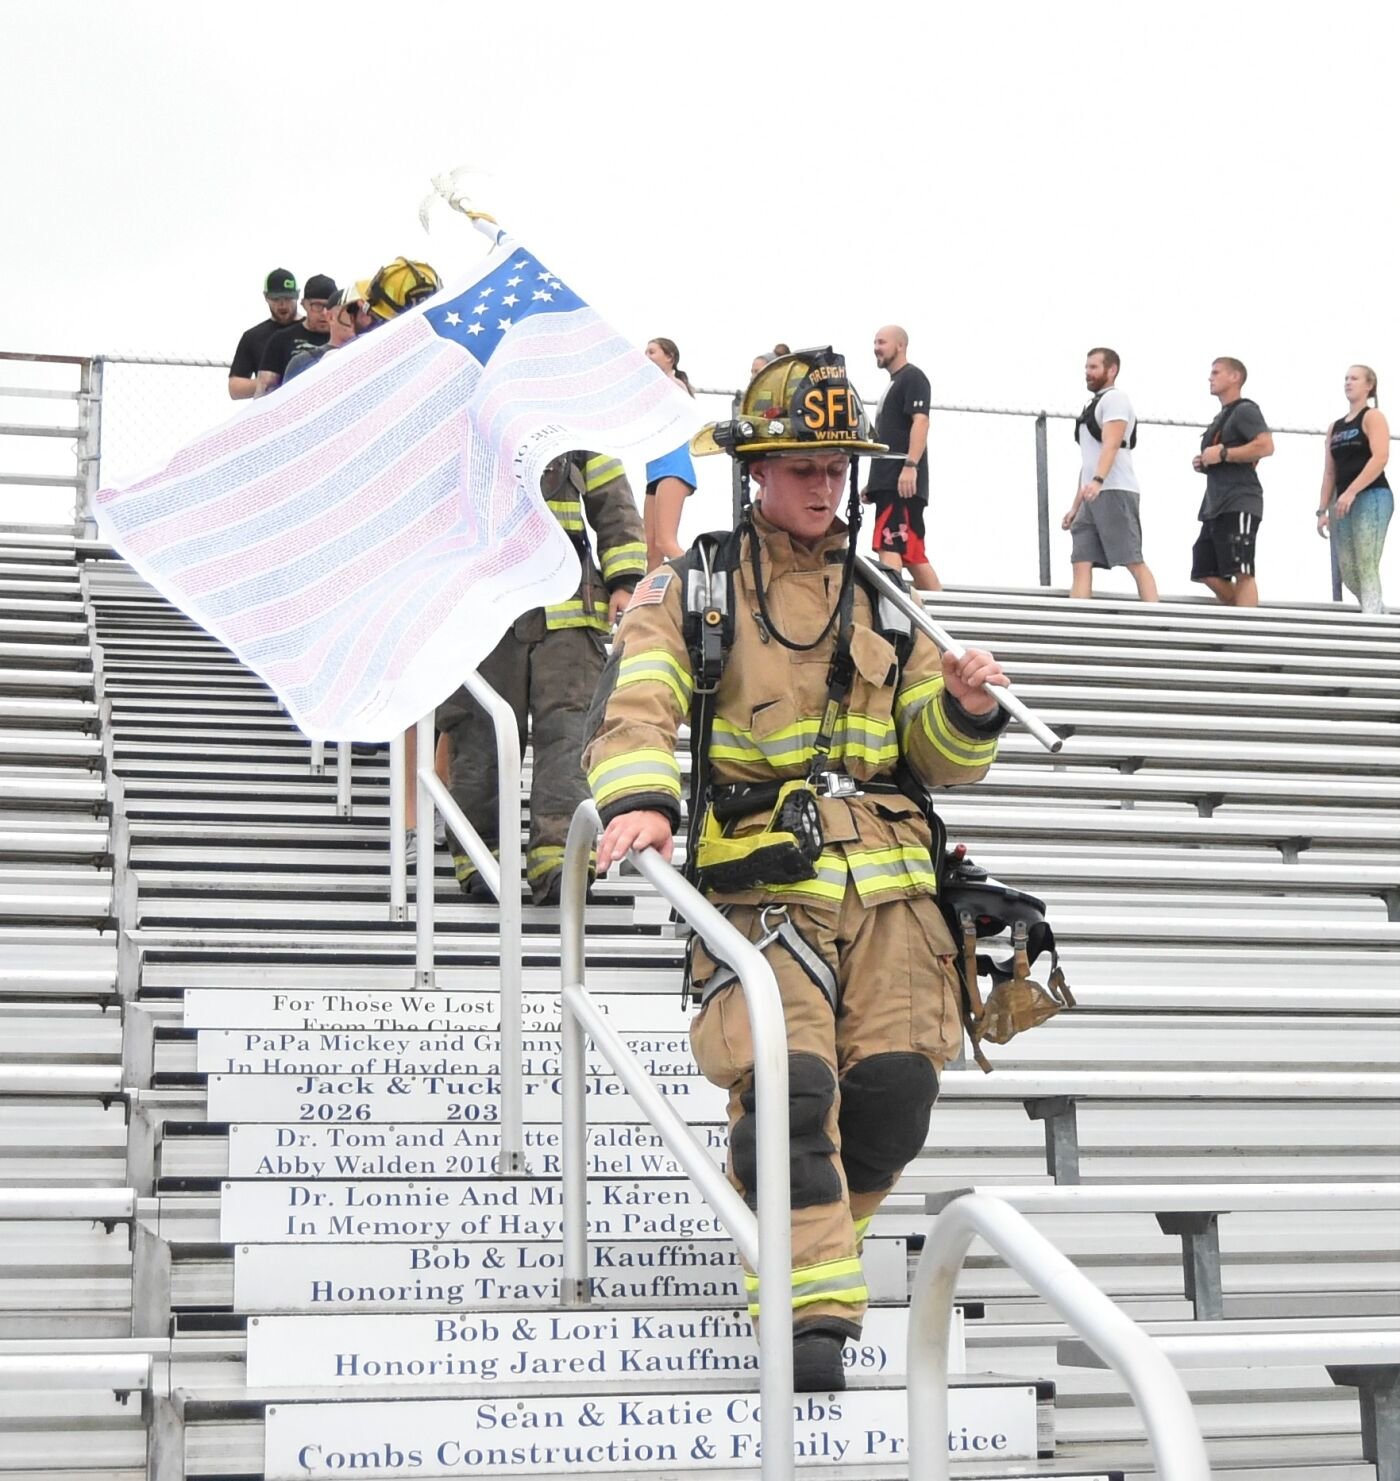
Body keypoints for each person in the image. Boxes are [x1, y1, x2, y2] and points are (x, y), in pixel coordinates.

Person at [584, 347, 1009, 1391]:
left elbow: (932, 758)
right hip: (764, 899)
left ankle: (798, 1247)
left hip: (898, 903)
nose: (823, 484)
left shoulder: (889, 600)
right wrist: (639, 798)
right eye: (801, 464)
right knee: (791, 1091)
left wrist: (963, 707)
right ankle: (811, 1308)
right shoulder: (695, 587)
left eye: (835, 466)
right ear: (756, 471)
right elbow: (637, 696)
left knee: (893, 1103)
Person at [437, 451, 646, 905]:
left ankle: (561, 862)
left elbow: (612, 496)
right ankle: (480, 858)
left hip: (568, 609)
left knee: (570, 737)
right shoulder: (454, 407)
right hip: (485, 608)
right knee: (479, 735)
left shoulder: (568, 403)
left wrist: (626, 580)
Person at [1061, 348, 1158, 601]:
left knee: (1132, 560)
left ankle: (1158, 621)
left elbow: (1112, 444)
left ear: (1111, 370)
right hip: (1092, 495)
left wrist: (1098, 481)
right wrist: (1076, 505)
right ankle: (1077, 625)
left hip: (1114, 489)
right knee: (1081, 561)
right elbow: (1089, 461)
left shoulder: (1116, 400)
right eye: (1086, 368)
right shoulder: (1092, 405)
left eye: (1094, 367)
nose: (1088, 373)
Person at [1191, 357, 1274, 607]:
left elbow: (1265, 446)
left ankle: (1248, 632)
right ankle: (1242, 614)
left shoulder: (1245, 409)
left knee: (1242, 569)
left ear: (1234, 377)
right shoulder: (1222, 416)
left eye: (1216, 372)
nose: (1210, 377)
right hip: (1215, 504)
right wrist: (1205, 462)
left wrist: (1224, 453)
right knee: (1205, 568)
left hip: (1239, 501)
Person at [863, 324, 941, 592]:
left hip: (902, 484)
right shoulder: (894, 383)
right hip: (889, 483)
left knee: (891, 547)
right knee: (913, 554)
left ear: (900, 345)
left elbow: (921, 422)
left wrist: (910, 465)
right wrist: (873, 483)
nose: (876, 348)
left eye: (882, 342)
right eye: (875, 342)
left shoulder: (913, 378)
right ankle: (940, 620)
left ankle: (894, 617)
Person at [1317, 365, 1391, 614]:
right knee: (1348, 569)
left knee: (1366, 562)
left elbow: (1380, 457)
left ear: (1368, 385)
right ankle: (1379, 613)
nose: (1348, 382)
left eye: (1355, 378)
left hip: (1372, 496)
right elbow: (1330, 472)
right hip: (1343, 502)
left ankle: (1372, 625)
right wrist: (1321, 510)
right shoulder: (1334, 427)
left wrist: (1352, 491)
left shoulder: (1373, 417)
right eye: (1346, 378)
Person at [642, 338, 697, 567]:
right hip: (655, 469)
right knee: (652, 550)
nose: (646, 356)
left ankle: (701, 582)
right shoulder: (652, 388)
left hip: (673, 467)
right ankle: (648, 600)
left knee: (666, 542)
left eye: (652, 352)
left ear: (669, 358)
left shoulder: (672, 385)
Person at [256, 274, 337, 395]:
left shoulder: (345, 338)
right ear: (304, 304)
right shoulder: (280, 340)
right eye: (317, 306)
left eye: (329, 306)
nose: (324, 313)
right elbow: (264, 389)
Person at [228, 269, 298, 400]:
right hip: (272, 410)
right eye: (276, 299)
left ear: (298, 297)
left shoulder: (313, 329)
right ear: (266, 297)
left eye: (288, 298)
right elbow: (235, 388)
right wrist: (268, 381)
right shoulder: (253, 337)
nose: (282, 304)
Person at [283, 284, 361, 382]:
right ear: (330, 317)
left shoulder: (371, 351)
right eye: (351, 310)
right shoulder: (303, 362)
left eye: (364, 310)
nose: (359, 317)